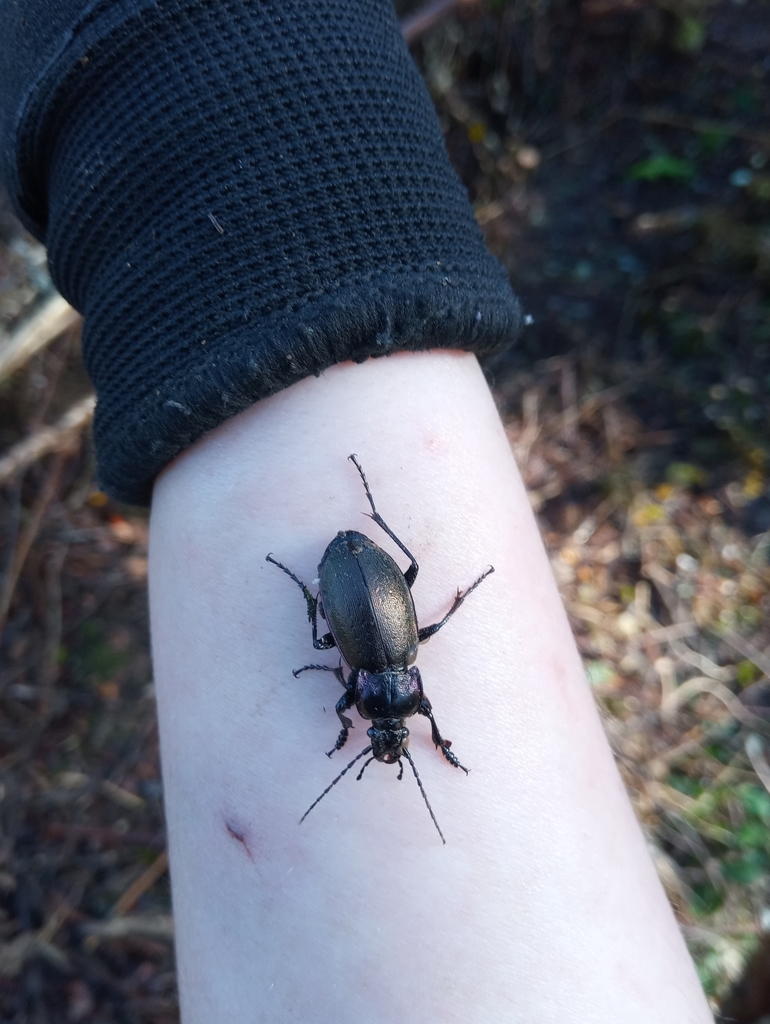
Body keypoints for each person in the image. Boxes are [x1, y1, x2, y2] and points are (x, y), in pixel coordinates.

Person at [0, 1, 714, 1020]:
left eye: (380, 734)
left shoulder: (389, 677)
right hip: (351, 561)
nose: (385, 728)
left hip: (352, 569)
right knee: (385, 600)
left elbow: (368, 657)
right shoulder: (379, 678)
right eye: (394, 735)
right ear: (398, 710)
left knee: (388, 600)